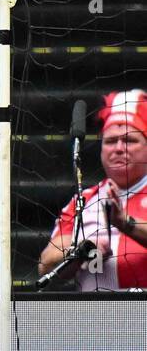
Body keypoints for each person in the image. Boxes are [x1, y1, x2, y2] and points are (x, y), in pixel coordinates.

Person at [39, 90, 147, 291]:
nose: (118, 148)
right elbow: (45, 265)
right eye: (110, 141)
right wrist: (83, 247)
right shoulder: (84, 200)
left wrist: (125, 223)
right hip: (96, 317)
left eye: (129, 141)